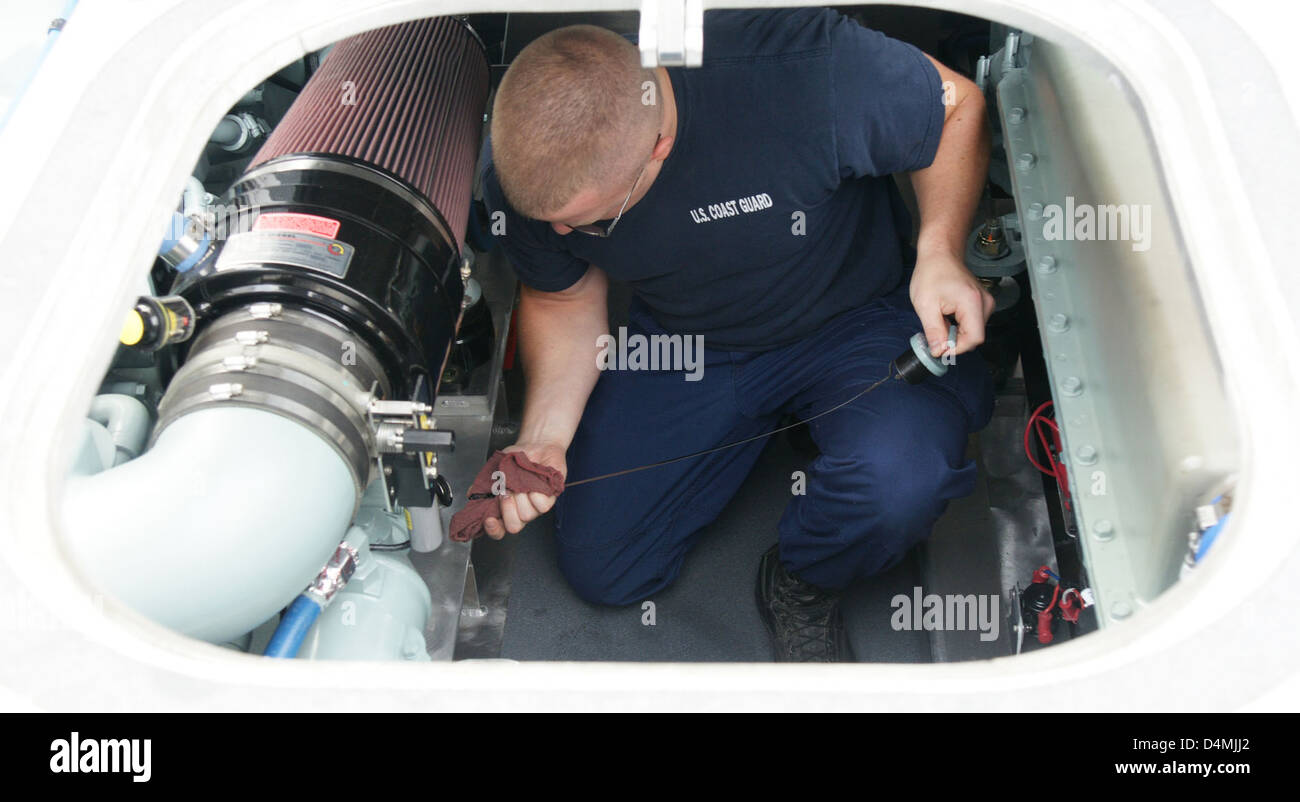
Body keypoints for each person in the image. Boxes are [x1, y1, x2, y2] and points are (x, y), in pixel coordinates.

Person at [476, 7, 995, 661]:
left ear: (659, 146)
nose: (560, 237)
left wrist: (940, 249)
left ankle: (805, 577)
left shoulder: (798, 69)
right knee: (604, 569)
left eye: (588, 225)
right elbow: (563, 295)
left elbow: (954, 106)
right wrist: (543, 437)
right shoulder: (534, 175)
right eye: (548, 223)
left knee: (898, 482)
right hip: (693, 341)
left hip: (858, 317)